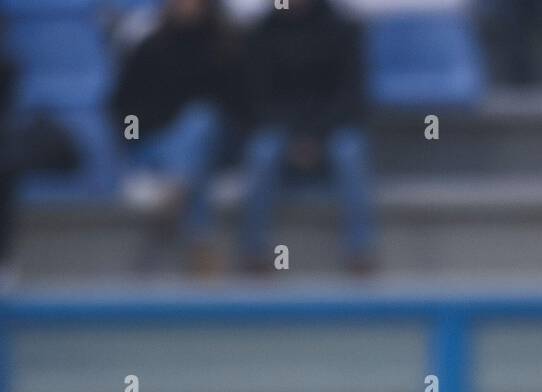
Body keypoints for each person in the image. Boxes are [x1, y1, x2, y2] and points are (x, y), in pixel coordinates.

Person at [237, 0, 377, 273]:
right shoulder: (262, 33)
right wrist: (295, 136)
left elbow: (352, 97)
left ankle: (359, 252)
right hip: (281, 130)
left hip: (332, 129)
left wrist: (315, 135)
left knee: (351, 151)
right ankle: (254, 251)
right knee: (261, 152)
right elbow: (256, 99)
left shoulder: (343, 29)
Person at [111, 0, 239, 272]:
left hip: (216, 144)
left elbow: (241, 107)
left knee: (199, 121)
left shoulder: (226, 47)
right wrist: (147, 131)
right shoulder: (149, 47)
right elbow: (125, 109)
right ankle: (199, 242)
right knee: (191, 152)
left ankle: (173, 199)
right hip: (160, 145)